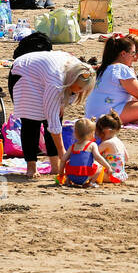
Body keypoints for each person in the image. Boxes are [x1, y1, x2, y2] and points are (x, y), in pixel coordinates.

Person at [10, 50, 96, 178]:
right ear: (72, 80)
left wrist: (62, 105)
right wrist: (62, 151)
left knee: (56, 117)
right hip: (24, 72)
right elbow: (52, 117)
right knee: (32, 120)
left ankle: (55, 166)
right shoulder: (56, 80)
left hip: (43, 73)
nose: (80, 92)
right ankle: (31, 166)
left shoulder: (82, 70)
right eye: (78, 88)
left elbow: (60, 110)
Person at [59, 117, 114, 187]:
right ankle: (91, 182)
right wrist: (108, 167)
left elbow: (63, 159)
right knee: (99, 166)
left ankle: (68, 181)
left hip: (71, 176)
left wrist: (61, 174)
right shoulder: (92, 145)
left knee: (69, 163)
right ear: (91, 134)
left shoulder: (72, 146)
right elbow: (98, 157)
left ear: (75, 133)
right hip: (84, 177)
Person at [93, 111, 127, 183]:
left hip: (111, 176)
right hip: (121, 175)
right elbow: (126, 157)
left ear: (106, 131)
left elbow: (93, 155)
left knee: (92, 169)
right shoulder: (119, 141)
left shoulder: (106, 143)